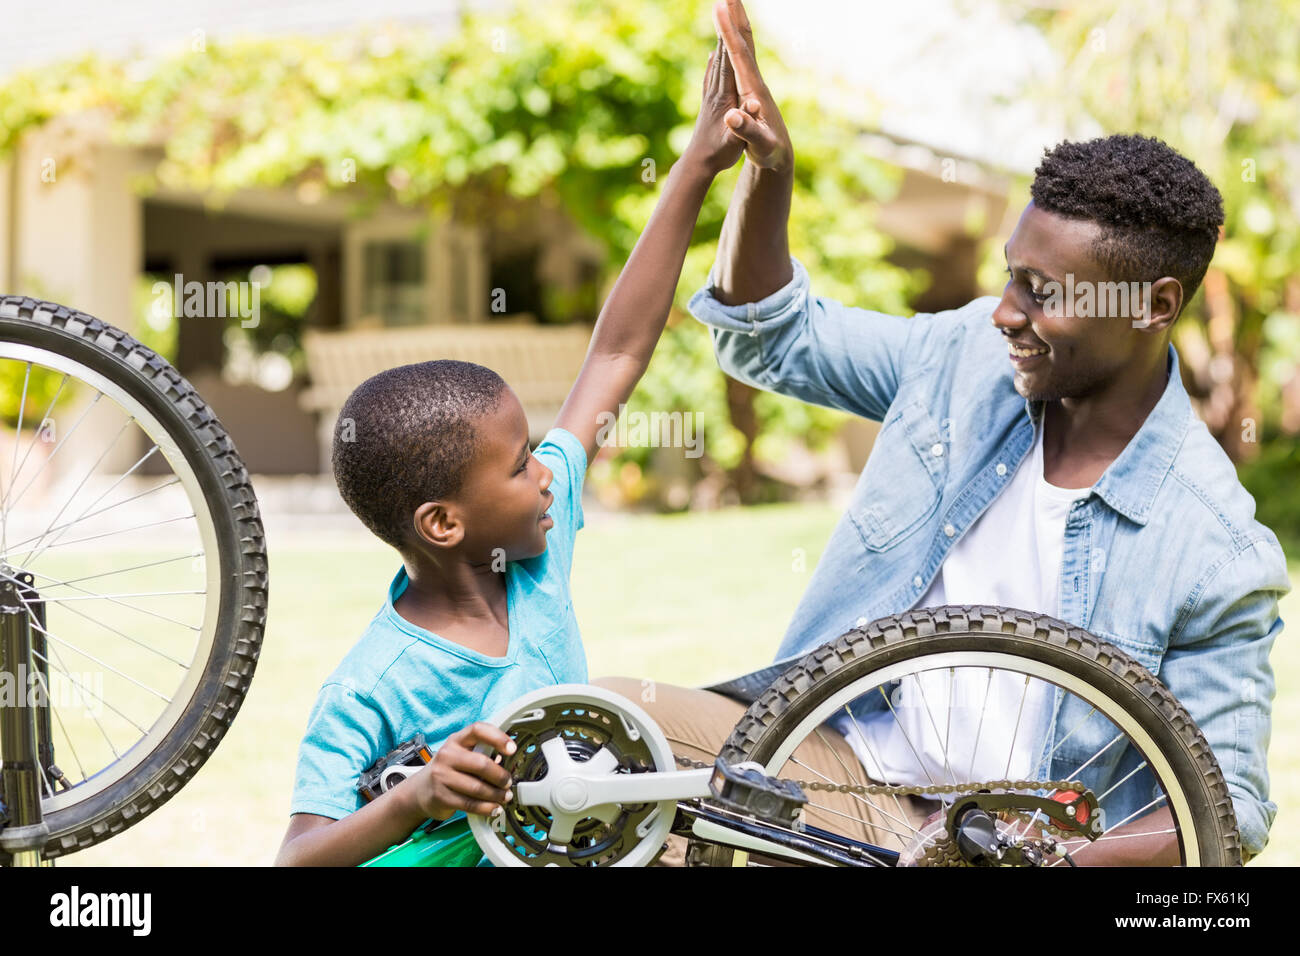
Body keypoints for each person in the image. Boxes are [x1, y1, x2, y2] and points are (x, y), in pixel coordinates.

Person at [601, 0, 1290, 866]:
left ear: (1153, 306)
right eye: (1011, 278)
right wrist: (769, 177)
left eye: (1044, 292)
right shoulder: (964, 357)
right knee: (600, 750)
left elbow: (1226, 809)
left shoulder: (1216, 550)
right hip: (836, 765)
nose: (1005, 313)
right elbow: (772, 336)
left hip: (1009, 846)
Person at [274, 35, 756, 867]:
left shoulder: (533, 551)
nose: (548, 476)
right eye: (519, 465)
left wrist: (697, 169)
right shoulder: (372, 684)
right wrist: (419, 794)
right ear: (443, 522)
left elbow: (614, 356)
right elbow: (298, 858)